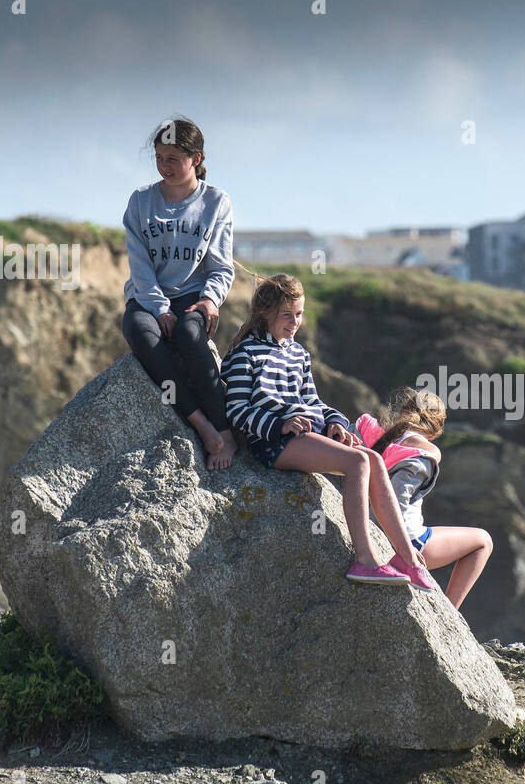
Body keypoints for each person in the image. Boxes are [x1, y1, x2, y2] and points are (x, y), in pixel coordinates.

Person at [220, 273, 439, 590]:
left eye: (299, 314)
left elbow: (313, 401)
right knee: (357, 463)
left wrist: (335, 421)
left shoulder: (297, 353)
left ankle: (407, 557)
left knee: (374, 461)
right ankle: (364, 560)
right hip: (273, 441)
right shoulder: (246, 353)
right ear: (264, 313)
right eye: (286, 315)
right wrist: (279, 425)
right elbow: (237, 410)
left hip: (308, 435)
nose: (295, 322)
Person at [121, 117, 236, 470]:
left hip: (193, 294)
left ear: (195, 159)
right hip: (146, 294)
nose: (164, 165)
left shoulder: (217, 202)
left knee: (189, 336)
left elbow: (221, 265)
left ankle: (227, 431)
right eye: (159, 157)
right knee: (143, 334)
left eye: (172, 158)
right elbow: (139, 264)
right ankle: (201, 423)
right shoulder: (141, 201)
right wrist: (158, 308)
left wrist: (211, 300)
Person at [353, 388, 493, 609]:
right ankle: (449, 613)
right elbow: (397, 497)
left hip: (359, 525)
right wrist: (403, 548)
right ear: (435, 430)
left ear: (402, 413)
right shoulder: (426, 451)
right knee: (483, 541)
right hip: (406, 539)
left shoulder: (369, 431)